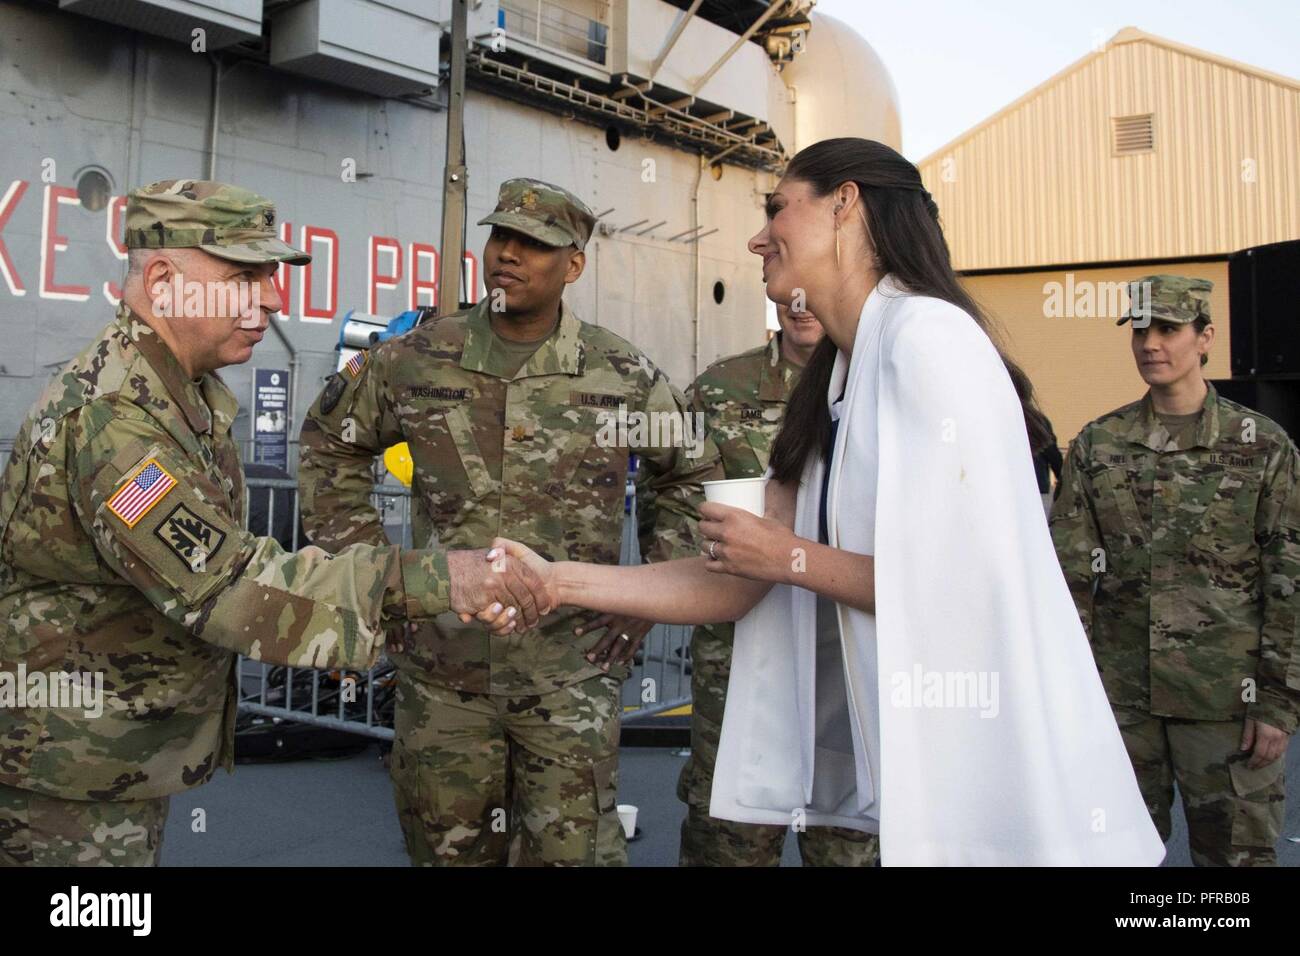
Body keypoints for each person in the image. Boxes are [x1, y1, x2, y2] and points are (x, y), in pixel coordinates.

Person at [482, 138, 1166, 865]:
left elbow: (955, 587)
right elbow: (737, 579)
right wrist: (553, 580)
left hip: (997, 800)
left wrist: (789, 557)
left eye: (777, 209)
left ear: (846, 204)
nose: (757, 236)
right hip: (912, 792)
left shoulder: (931, 341)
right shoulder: (841, 373)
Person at [0, 180, 548, 867]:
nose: (274, 298)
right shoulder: (114, 420)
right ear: (166, 281)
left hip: (112, 748)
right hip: (68, 766)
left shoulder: (176, 391)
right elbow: (228, 585)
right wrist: (446, 579)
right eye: (245, 276)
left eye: (272, 276)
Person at [297, 178, 718, 866]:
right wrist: (380, 578)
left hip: (571, 672)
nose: (508, 255)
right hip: (443, 675)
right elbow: (329, 444)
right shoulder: (415, 358)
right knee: (448, 853)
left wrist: (647, 595)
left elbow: (691, 474)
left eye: (534, 244)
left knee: (572, 854)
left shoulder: (622, 374)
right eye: (501, 237)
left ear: (573, 265)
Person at [1050, 275, 1299, 866]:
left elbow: (1289, 579)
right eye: (1140, 330)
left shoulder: (1262, 446)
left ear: (1205, 337)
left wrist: (1278, 703)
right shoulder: (1098, 446)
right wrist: (1069, 696)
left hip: (1225, 704)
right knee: (1115, 855)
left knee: (1235, 863)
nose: (1151, 344)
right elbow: (1069, 581)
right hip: (1121, 703)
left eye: (1168, 329)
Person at [678, 303, 878, 866]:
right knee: (730, 836)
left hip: (846, 654)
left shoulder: (880, 385)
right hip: (738, 651)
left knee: (850, 843)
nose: (799, 304)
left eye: (811, 291)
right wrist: (691, 586)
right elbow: (674, 501)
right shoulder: (718, 389)